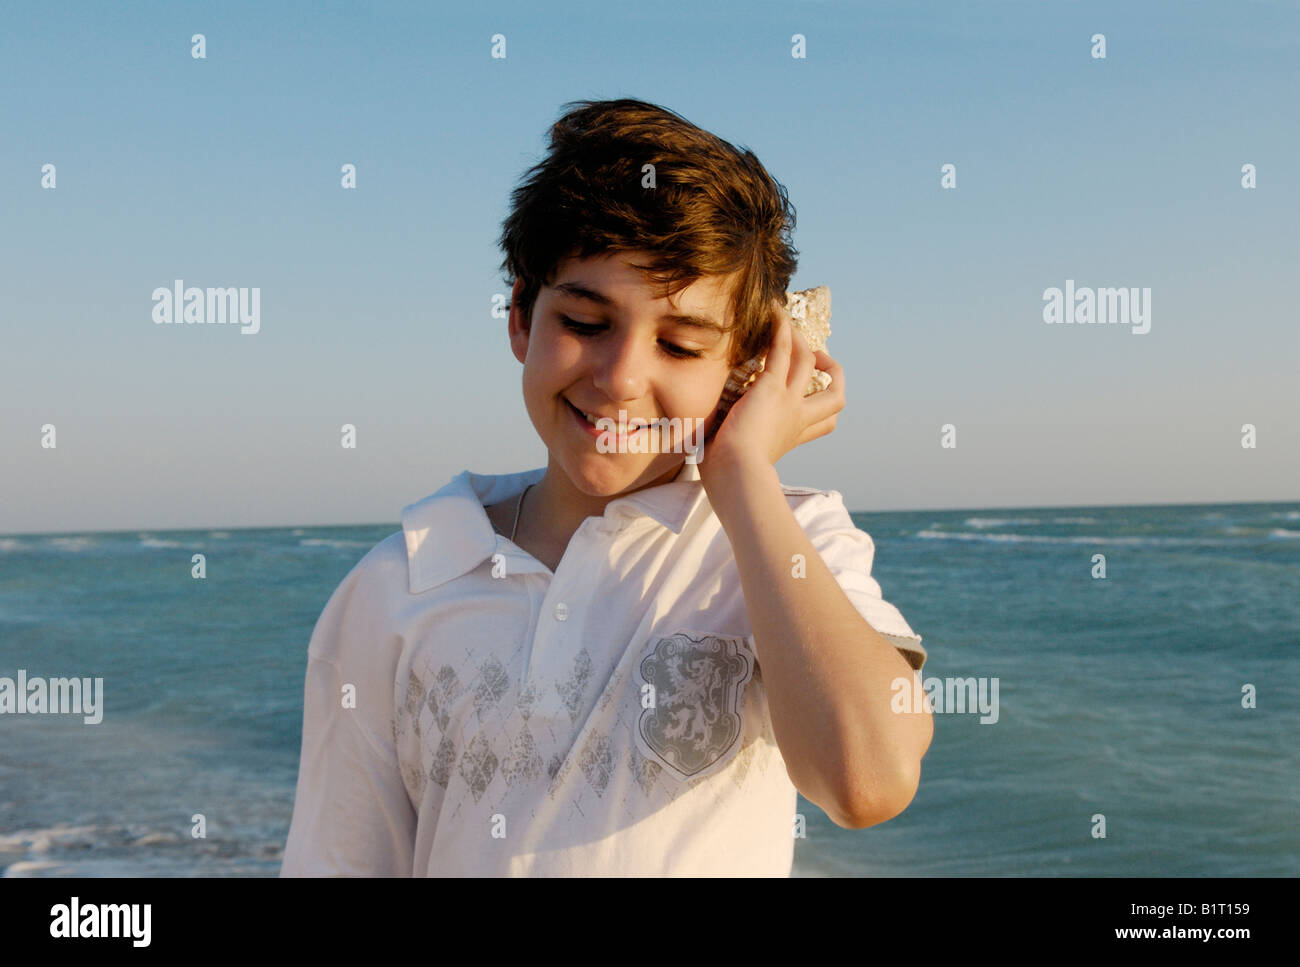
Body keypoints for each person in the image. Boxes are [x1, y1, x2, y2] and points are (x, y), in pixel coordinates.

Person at [280, 98, 932, 876]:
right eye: (586, 323)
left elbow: (868, 780)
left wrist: (744, 474)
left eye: (682, 344)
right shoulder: (402, 583)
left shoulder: (787, 545)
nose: (620, 377)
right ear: (521, 315)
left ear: (746, 366)